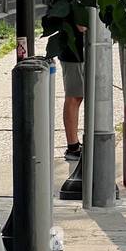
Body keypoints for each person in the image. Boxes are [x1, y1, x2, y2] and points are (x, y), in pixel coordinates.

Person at [51, 21, 86, 160]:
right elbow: (81, 26)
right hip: (74, 53)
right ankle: (72, 146)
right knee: (74, 96)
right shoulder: (74, 1)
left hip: (75, 51)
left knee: (77, 96)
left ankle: (74, 144)